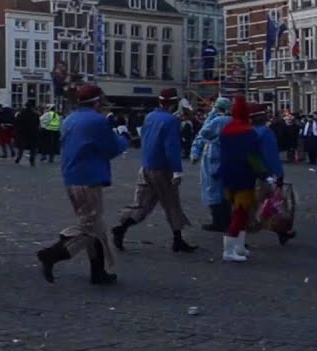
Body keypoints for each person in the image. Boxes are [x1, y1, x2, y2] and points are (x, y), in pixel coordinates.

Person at [35, 85, 130, 286]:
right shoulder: (97, 120)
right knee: (90, 226)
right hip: (89, 177)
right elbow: (111, 149)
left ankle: (98, 271)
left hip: (72, 176)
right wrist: (124, 137)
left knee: (95, 225)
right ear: (97, 102)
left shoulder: (69, 119)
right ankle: (53, 253)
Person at [111, 88, 198, 254]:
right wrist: (177, 171)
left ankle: (122, 227)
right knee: (171, 202)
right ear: (174, 103)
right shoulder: (171, 121)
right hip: (162, 167)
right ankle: (177, 239)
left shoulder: (150, 116)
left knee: (142, 203)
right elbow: (171, 147)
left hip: (147, 165)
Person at [216, 96, 270, 263]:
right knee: (241, 212)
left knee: (238, 210)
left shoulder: (225, 130)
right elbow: (253, 157)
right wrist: (264, 174)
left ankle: (238, 246)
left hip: (227, 175)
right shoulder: (248, 132)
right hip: (244, 176)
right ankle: (229, 250)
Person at [251, 103, 292, 245]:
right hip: (264, 175)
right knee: (272, 204)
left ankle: (281, 231)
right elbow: (271, 155)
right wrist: (279, 174)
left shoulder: (248, 132)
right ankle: (237, 237)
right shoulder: (266, 133)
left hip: (249, 174)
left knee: (261, 205)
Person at [191, 97, 232, 232]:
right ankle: (227, 220)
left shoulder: (216, 120)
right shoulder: (234, 120)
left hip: (213, 157)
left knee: (213, 190)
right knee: (225, 191)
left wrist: (195, 153)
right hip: (229, 159)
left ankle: (218, 221)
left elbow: (203, 134)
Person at [13, 100, 40, 166]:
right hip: (32, 132)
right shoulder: (35, 114)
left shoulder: (21, 113)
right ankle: (32, 161)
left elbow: (17, 122)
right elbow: (38, 123)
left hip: (23, 132)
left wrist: (17, 131)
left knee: (21, 147)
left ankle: (18, 158)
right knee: (33, 148)